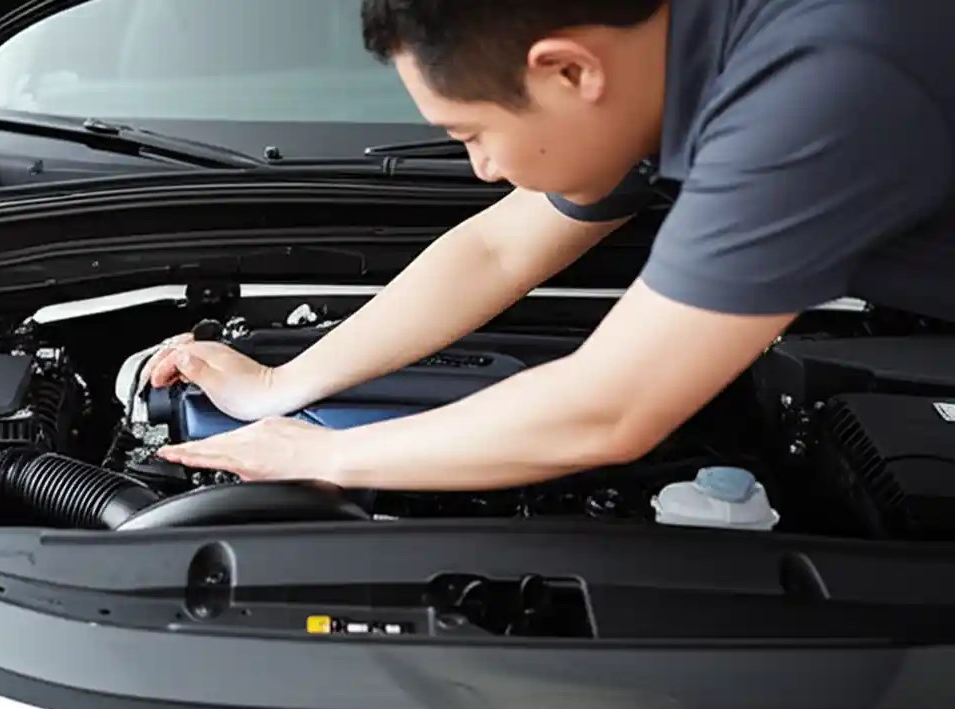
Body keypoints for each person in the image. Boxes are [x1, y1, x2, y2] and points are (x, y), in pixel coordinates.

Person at [153, 0, 955, 490]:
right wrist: (279, 386)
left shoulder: (816, 85)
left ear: (569, 72)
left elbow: (610, 409)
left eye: (470, 133)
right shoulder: (668, 50)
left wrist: (322, 457)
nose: (481, 169)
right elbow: (500, 248)